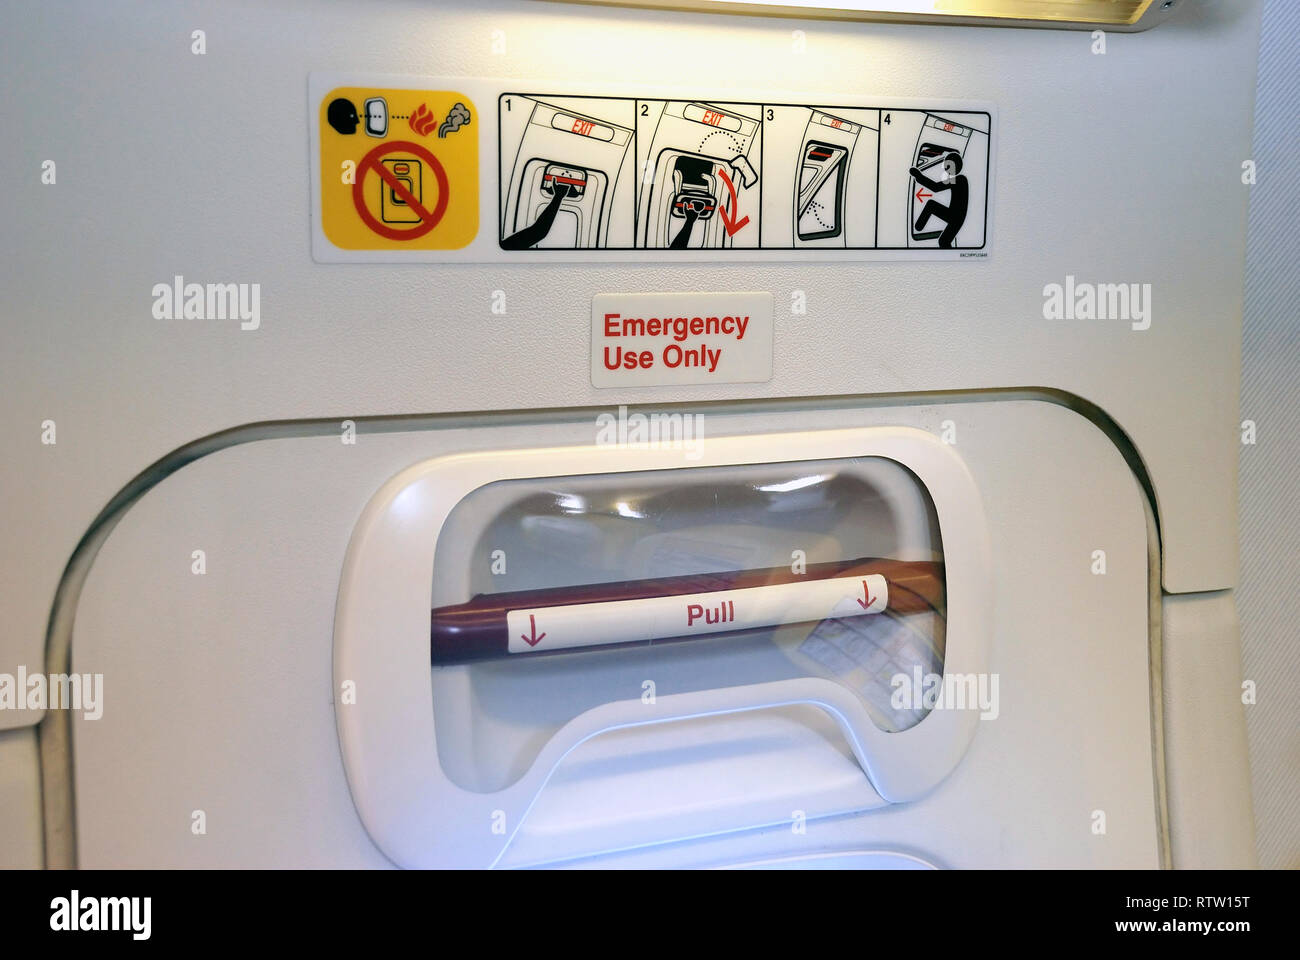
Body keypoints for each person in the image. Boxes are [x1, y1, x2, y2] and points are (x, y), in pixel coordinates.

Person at [909, 152, 968, 249]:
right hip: (956, 217)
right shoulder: (959, 179)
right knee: (943, 241)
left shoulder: (959, 179)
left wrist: (919, 176)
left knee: (931, 205)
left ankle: (918, 227)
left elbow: (935, 187)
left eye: (947, 165)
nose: (945, 168)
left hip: (955, 216)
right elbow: (936, 187)